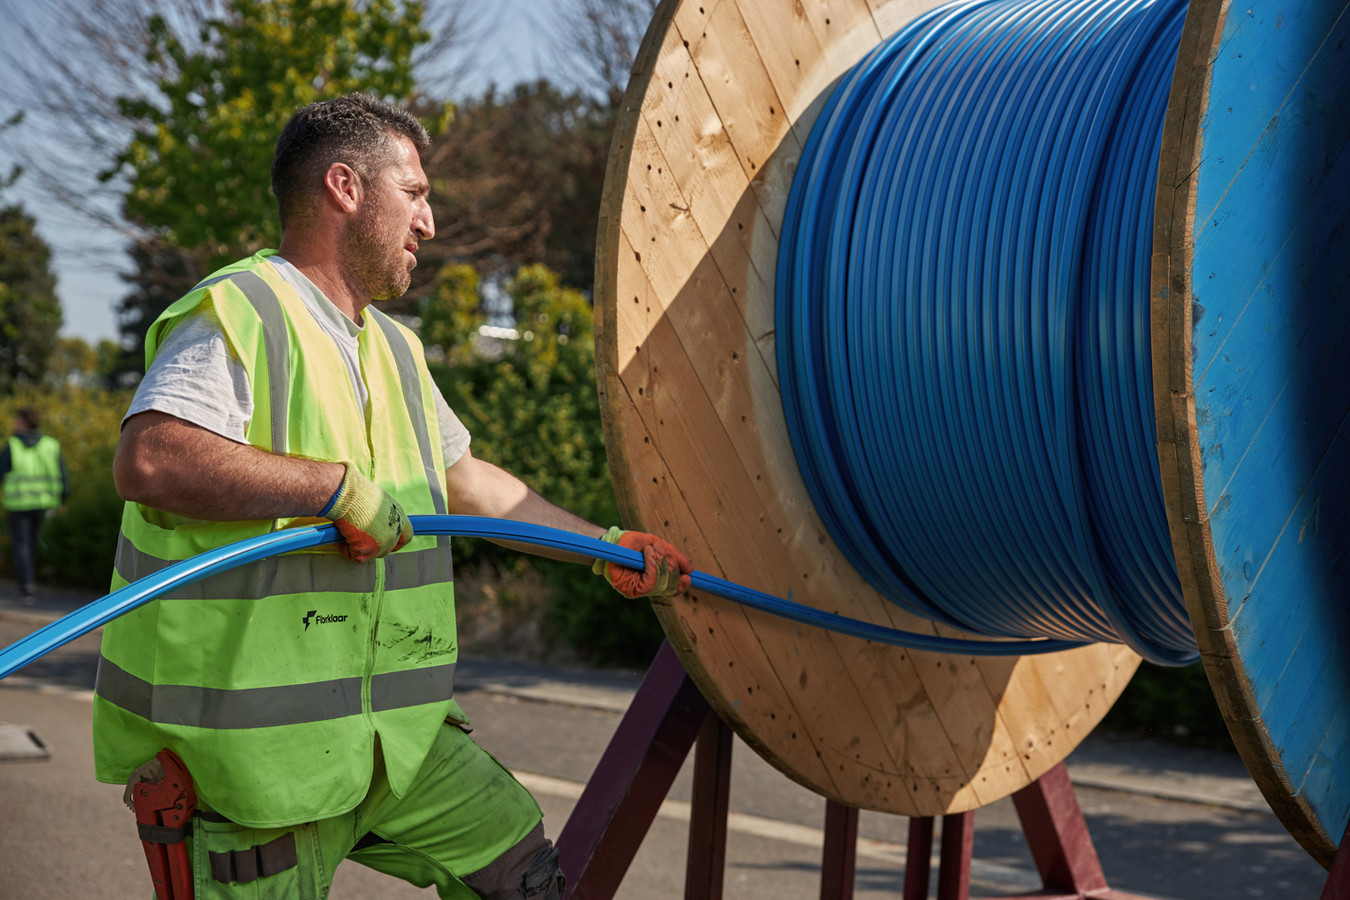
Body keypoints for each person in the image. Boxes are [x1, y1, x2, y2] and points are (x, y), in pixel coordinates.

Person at [92, 93, 693, 900]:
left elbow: (471, 486)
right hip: (253, 770)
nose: (430, 222)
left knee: (516, 861)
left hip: (387, 747)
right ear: (344, 187)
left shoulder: (397, 351)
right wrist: (330, 488)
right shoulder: (244, 309)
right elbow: (153, 459)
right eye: (414, 193)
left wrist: (604, 546)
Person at [1, 406, 69, 599]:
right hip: (44, 503)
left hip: (18, 504)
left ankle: (26, 585)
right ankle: (36, 580)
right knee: (34, 542)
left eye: (16, 420)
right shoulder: (50, 445)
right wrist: (62, 500)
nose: (14, 424)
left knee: (22, 544)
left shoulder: (13, 445)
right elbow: (64, 478)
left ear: (23, 422)